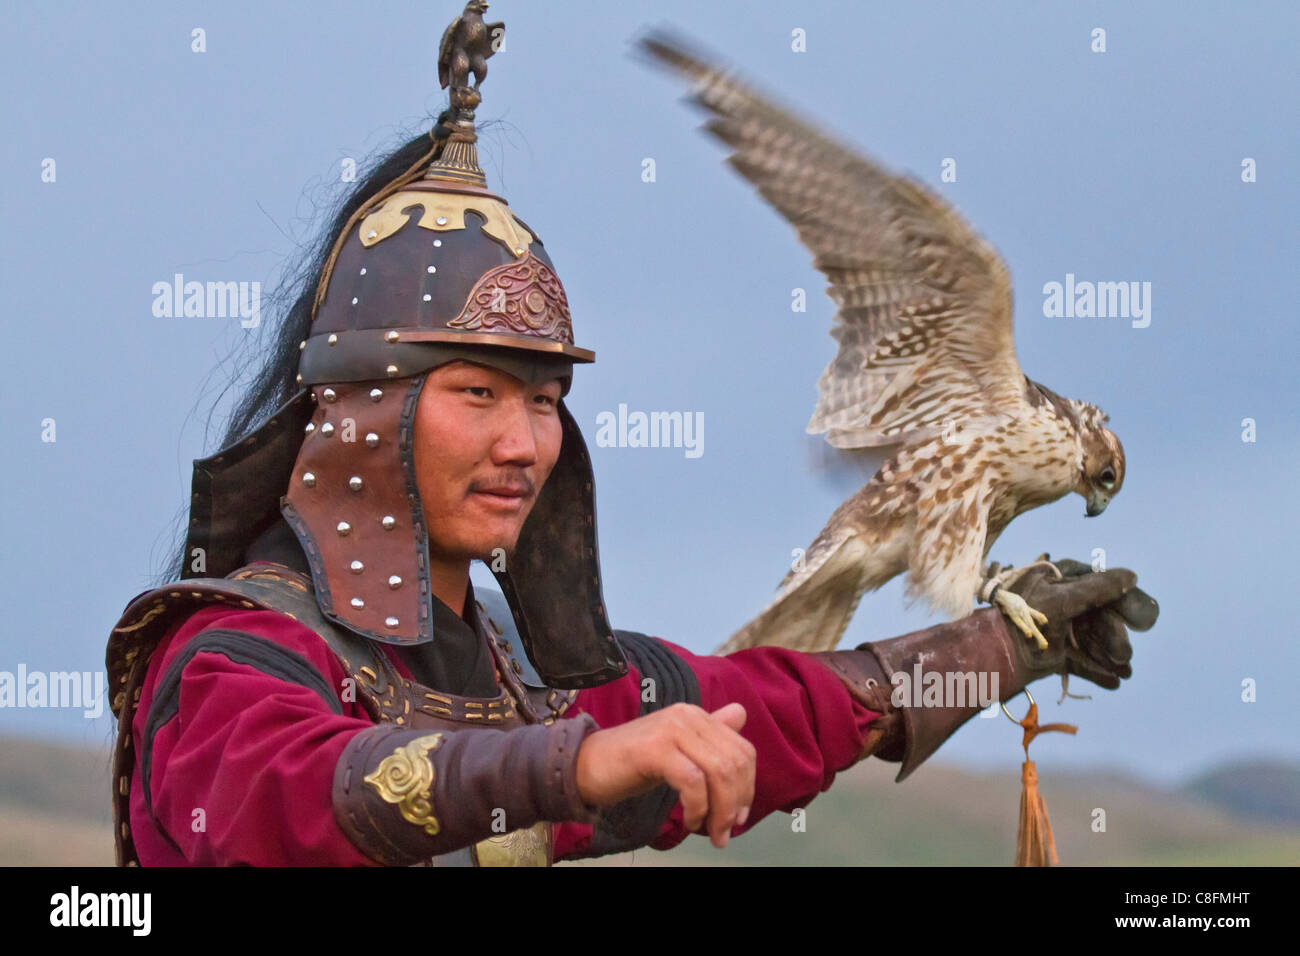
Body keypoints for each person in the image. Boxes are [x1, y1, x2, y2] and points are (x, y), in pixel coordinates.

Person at [104, 4, 1157, 867]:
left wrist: (987, 649)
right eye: (478, 392)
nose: (524, 440)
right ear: (364, 413)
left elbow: (765, 703)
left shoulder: (516, 676)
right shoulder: (231, 662)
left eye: (546, 400)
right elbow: (291, 795)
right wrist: (570, 765)